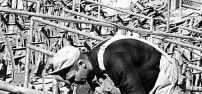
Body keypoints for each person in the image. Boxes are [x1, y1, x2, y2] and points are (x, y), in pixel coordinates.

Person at [49, 36, 184, 94]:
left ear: (81, 64)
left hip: (161, 79)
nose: (74, 83)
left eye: (73, 78)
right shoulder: (91, 66)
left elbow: (135, 92)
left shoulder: (114, 58)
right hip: (140, 84)